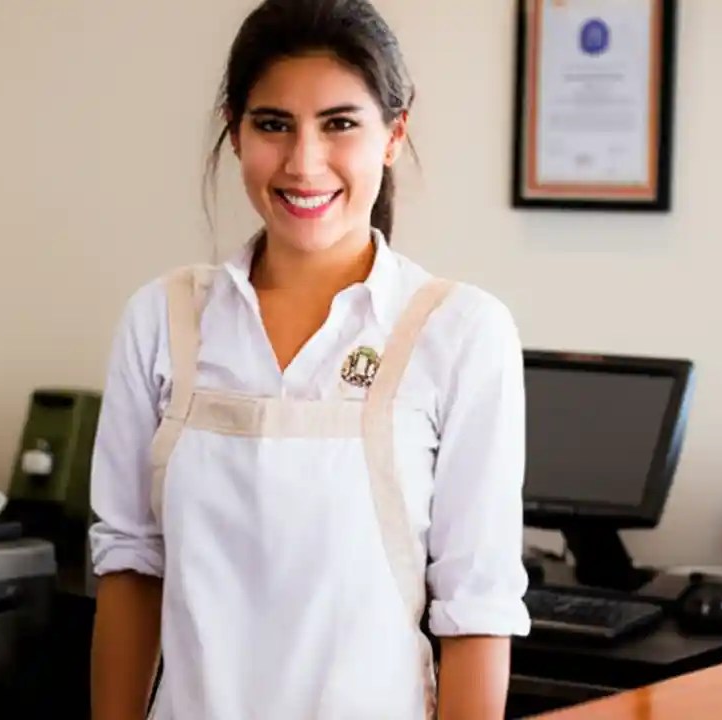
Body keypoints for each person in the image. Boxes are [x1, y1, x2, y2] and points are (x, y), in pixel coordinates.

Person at [88, 1, 530, 717]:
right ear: (235, 131)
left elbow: (477, 609)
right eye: (273, 125)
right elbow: (132, 568)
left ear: (394, 133)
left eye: (340, 124)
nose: (303, 163)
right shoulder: (165, 319)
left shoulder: (459, 332)